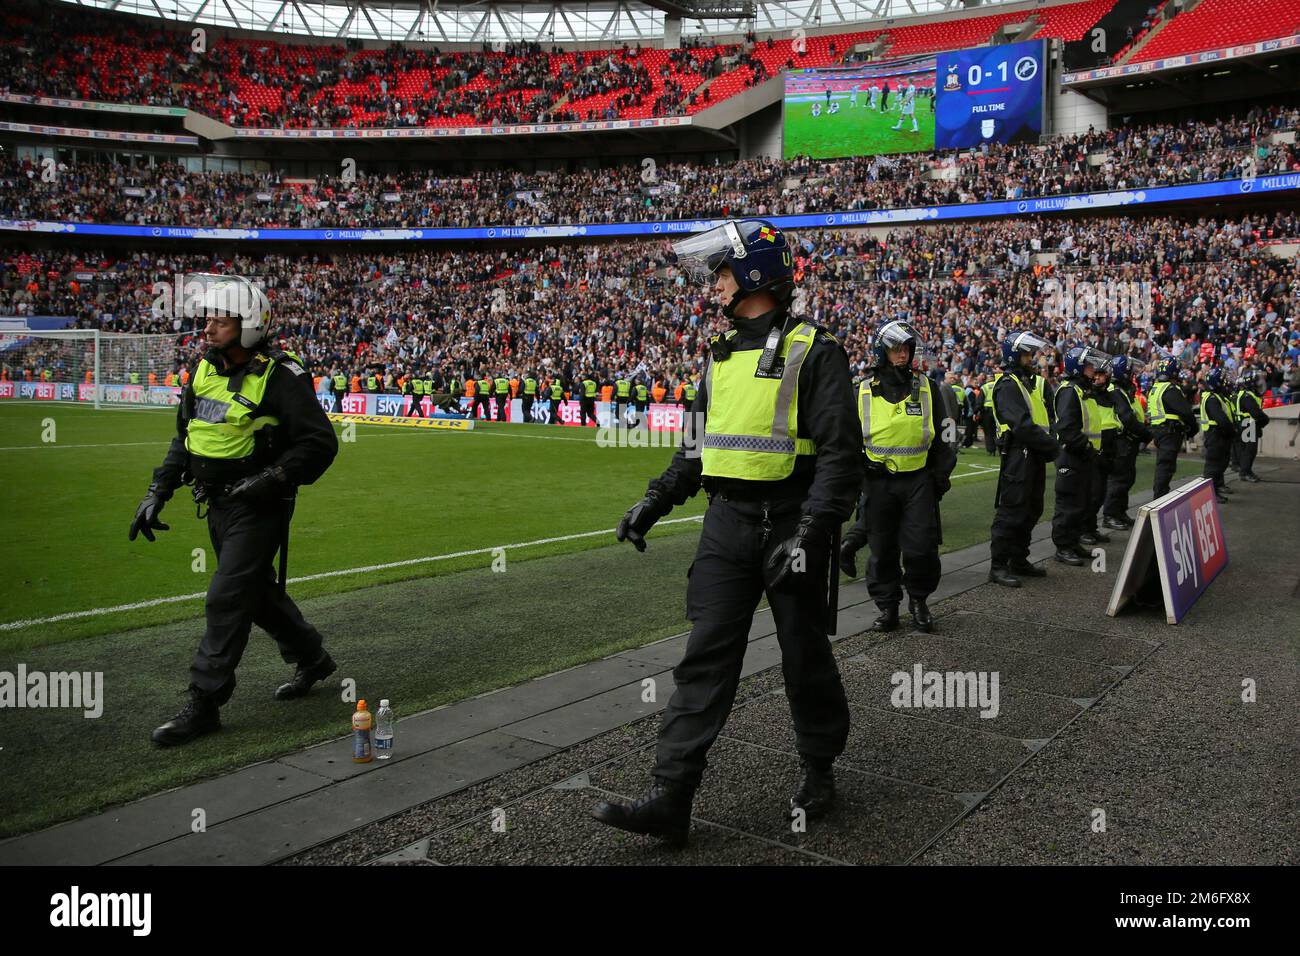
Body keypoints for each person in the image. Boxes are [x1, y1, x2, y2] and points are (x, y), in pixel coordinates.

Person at [594, 219, 859, 845]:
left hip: (793, 523)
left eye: (721, 270)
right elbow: (697, 447)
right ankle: (671, 797)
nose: (713, 283)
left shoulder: (816, 350)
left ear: (754, 274)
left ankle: (819, 769)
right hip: (727, 523)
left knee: (805, 656)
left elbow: (841, 454)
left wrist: (814, 533)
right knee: (705, 657)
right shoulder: (718, 354)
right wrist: (655, 500)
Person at [129, 274, 339, 746]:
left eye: (219, 321)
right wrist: (157, 490)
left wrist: (270, 480)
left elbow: (319, 444)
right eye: (206, 320)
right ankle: (313, 658)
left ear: (248, 324)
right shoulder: (203, 370)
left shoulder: (281, 375)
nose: (206, 329)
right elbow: (186, 438)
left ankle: (205, 702)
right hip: (217, 504)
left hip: (259, 508)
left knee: (226, 596)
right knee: (255, 594)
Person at [839, 321, 957, 631]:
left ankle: (919, 601)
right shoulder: (861, 390)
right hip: (876, 483)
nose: (902, 353)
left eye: (906, 348)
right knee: (882, 551)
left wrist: (939, 477)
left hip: (918, 481)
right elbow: (846, 440)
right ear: (882, 352)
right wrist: (859, 470)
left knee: (921, 548)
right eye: (896, 348)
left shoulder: (929, 387)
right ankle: (888, 607)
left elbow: (946, 436)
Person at [987, 332, 1061, 587]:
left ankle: (1018, 559)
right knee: (1012, 510)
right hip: (1019, 454)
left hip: (1033, 453)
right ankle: (998, 566)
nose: (1031, 359)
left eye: (1031, 354)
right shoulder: (1008, 384)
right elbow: (1021, 424)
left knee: (1031, 508)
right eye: (1026, 354)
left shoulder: (1025, 383)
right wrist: (1052, 446)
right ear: (1014, 355)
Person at [1051, 346, 1107, 566]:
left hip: (1083, 456)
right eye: (1090, 366)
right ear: (1079, 367)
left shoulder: (1083, 391)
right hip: (1072, 456)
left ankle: (1072, 543)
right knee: (1068, 504)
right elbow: (1067, 429)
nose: (1094, 370)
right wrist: (1085, 447)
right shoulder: (1069, 391)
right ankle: (1063, 547)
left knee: (1081, 502)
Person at [1101, 356, 1153, 530]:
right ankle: (1110, 515)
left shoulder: (1121, 391)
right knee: (1118, 480)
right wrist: (1146, 434)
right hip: (1121, 441)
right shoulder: (1115, 391)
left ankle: (1119, 512)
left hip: (1128, 441)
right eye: (1130, 372)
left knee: (1126, 479)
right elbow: (1127, 418)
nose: (1133, 375)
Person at [1146, 358, 1199, 497]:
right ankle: (1159, 499)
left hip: (1158, 431)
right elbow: (1186, 412)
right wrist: (1193, 429)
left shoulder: (1155, 388)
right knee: (1166, 468)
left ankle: (1160, 496)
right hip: (1169, 433)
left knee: (1163, 466)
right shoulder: (1171, 389)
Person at [1199, 368, 1234, 503]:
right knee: (1212, 467)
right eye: (1223, 379)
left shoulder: (1217, 396)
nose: (1226, 382)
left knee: (1219, 465)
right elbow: (1221, 419)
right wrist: (1232, 431)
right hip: (1215, 435)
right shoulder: (1212, 398)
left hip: (1219, 435)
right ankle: (1209, 495)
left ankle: (1215, 490)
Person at [1233, 371, 1268, 482]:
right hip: (1247, 424)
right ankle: (1245, 472)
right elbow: (1256, 413)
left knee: (1249, 450)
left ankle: (1247, 471)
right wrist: (1264, 421)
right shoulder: (1247, 396)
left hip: (1248, 424)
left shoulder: (1247, 394)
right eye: (1257, 381)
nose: (1259, 383)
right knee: (1249, 451)